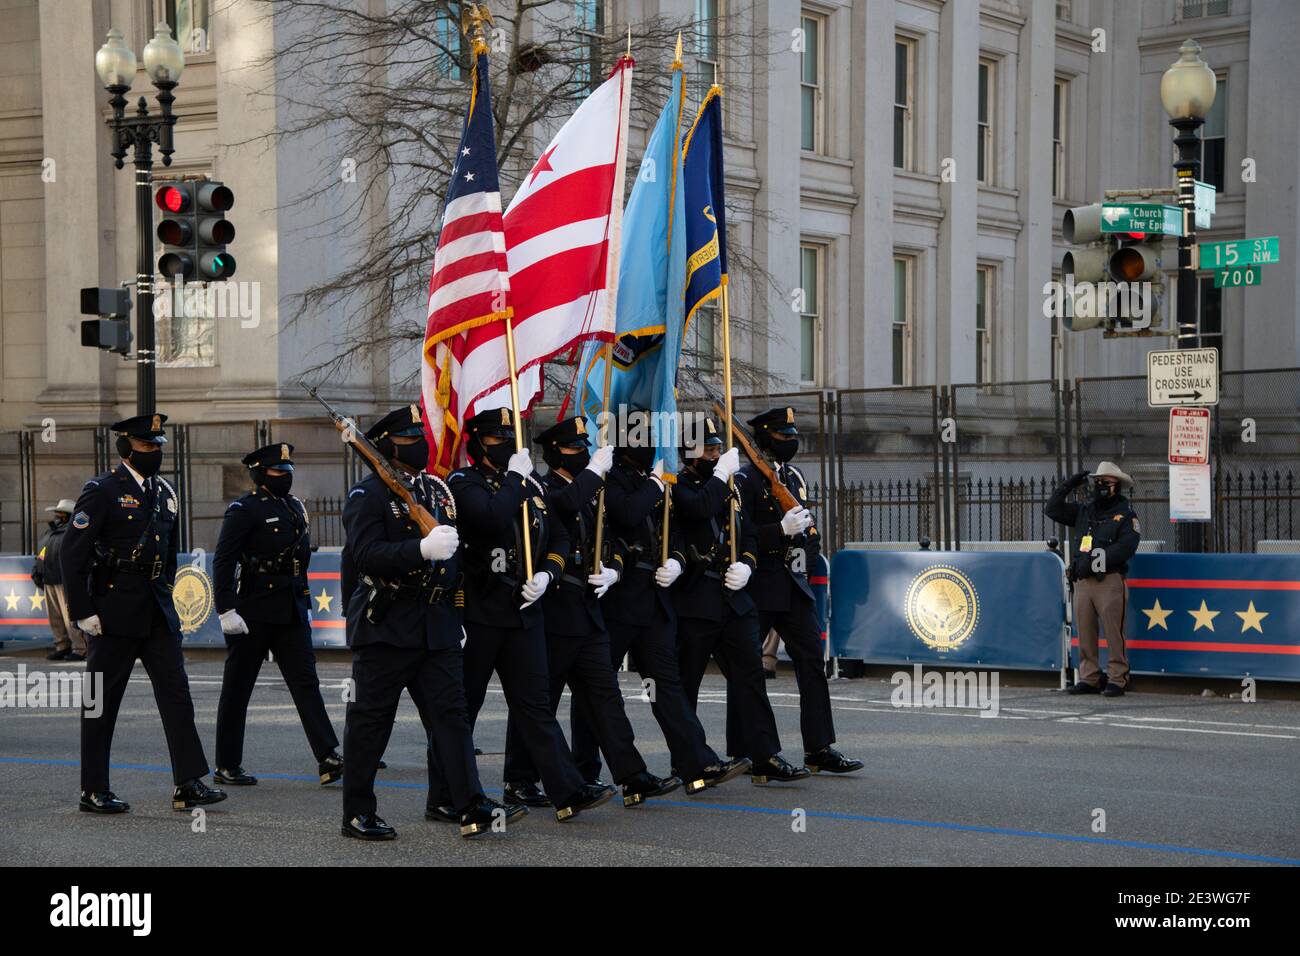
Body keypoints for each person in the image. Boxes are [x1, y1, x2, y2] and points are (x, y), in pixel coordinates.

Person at [339, 404, 520, 840]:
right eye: (409, 441)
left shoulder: (437, 493)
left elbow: (455, 563)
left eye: (421, 438)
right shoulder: (369, 496)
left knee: (452, 718)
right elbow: (364, 556)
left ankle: (467, 803)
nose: (420, 446)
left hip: (436, 624)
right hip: (388, 625)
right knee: (371, 722)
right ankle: (356, 813)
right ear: (385, 447)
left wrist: (455, 613)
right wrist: (417, 552)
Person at [442, 406, 614, 823]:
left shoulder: (530, 484)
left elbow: (558, 533)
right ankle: (446, 795)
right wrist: (517, 480)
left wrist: (548, 571)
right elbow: (488, 518)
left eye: (508, 438)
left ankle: (566, 790)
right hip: (481, 610)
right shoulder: (464, 484)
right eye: (497, 439)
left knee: (535, 705)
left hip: (525, 610)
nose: (505, 446)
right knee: (464, 706)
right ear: (477, 443)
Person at [500, 416, 681, 809]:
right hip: (553, 611)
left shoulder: (591, 490)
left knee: (605, 697)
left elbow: (612, 539)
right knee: (539, 701)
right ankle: (520, 778)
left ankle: (632, 775)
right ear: (552, 454)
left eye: (585, 446)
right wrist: (597, 471)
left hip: (589, 610)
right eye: (572, 448)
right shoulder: (543, 488)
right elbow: (562, 508)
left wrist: (614, 567)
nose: (581, 452)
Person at [572, 410, 751, 794]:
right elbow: (627, 512)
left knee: (665, 686)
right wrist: (656, 482)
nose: (653, 444)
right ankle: (584, 771)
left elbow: (677, 534)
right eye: (645, 437)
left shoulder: (658, 478)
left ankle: (697, 764)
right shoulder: (611, 477)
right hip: (616, 600)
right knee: (598, 689)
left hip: (654, 601)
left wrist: (677, 560)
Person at [60, 413, 226, 814]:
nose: (155, 453)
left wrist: (167, 593)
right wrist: (82, 612)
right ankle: (93, 788)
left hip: (155, 610)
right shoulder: (102, 490)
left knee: (176, 694)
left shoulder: (165, 492)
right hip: (113, 610)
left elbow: (168, 554)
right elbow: (72, 553)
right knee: (102, 701)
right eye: (147, 446)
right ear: (126, 448)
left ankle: (188, 782)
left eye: (158, 446)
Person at [673, 419, 809, 784]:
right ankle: (688, 760)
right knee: (686, 683)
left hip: (733, 598)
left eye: (718, 448)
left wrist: (747, 565)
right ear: (689, 454)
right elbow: (699, 509)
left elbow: (745, 533)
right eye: (709, 449)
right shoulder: (680, 486)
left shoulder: (730, 486)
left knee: (750, 676)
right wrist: (721, 476)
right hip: (696, 600)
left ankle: (763, 754)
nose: (716, 454)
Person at [737, 407, 863, 776]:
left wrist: (803, 557)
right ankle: (753, 753)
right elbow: (741, 537)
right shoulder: (744, 481)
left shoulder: (793, 477)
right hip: (759, 585)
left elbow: (809, 533)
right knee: (748, 671)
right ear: (762, 439)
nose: (790, 441)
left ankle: (819, 747)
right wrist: (779, 529)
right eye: (781, 436)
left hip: (792, 586)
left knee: (812, 662)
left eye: (792, 434)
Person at [211, 442, 342, 787]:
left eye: (288, 471)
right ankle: (227, 763)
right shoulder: (244, 509)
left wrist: (303, 601)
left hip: (290, 610)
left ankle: (327, 755)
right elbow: (224, 560)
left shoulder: (295, 507)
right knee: (238, 688)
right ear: (259, 474)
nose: (285, 476)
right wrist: (225, 608)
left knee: (306, 684)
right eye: (277, 471)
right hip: (253, 610)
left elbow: (300, 560)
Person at [1045, 461, 1141, 698]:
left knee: (1113, 632)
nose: (1099, 487)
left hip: (1108, 580)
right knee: (1084, 631)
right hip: (1083, 583)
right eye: (1097, 482)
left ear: (1116, 486)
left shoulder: (1126, 515)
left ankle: (1118, 677)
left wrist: (1096, 562)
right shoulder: (1084, 511)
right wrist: (1069, 485)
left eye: (1105, 483)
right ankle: (1090, 677)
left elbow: (1126, 547)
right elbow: (1052, 509)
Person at [32, 498, 86, 662]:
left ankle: (80, 648)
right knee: (55, 617)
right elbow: (42, 554)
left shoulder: (75, 531)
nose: (57, 515)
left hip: (66, 580)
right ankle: (62, 646)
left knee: (71, 616)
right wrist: (37, 570)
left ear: (68, 515)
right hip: (49, 578)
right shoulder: (50, 533)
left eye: (60, 513)